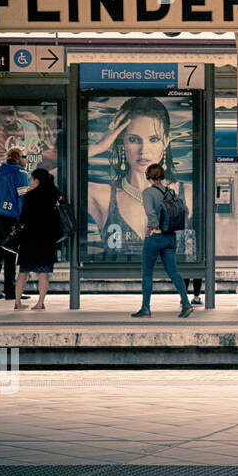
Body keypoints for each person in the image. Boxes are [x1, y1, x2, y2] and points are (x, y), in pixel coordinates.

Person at [88, 97, 193, 260]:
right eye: (133, 139)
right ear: (122, 141)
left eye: (153, 139)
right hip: (117, 284)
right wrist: (99, 146)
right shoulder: (104, 198)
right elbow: (46, 178)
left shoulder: (188, 195)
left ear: (166, 141)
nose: (144, 150)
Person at [132, 162, 193, 319]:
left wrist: (153, 227)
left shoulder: (148, 192)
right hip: (171, 237)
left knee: (147, 273)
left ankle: (146, 308)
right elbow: (185, 210)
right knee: (173, 272)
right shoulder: (171, 192)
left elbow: (150, 213)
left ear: (148, 177)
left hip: (155, 237)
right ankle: (186, 303)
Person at [13, 168, 63, 311]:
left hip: (29, 238)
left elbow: (23, 218)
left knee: (23, 271)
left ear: (37, 180)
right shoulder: (55, 195)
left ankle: (17, 302)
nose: (30, 182)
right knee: (43, 272)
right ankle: (40, 302)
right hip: (47, 239)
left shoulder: (30, 196)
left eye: (31, 179)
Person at [0, 148, 30, 300]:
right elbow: (22, 199)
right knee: (11, 252)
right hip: (12, 216)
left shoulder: (0, 170)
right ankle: (11, 291)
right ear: (18, 158)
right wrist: (23, 219)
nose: (26, 160)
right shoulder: (21, 174)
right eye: (24, 157)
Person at [0, 105, 57, 173]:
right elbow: (7, 168)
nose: (7, 119)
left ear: (16, 112)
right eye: (1, 115)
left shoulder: (30, 119)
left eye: (10, 113)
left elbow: (50, 142)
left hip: (45, 171)